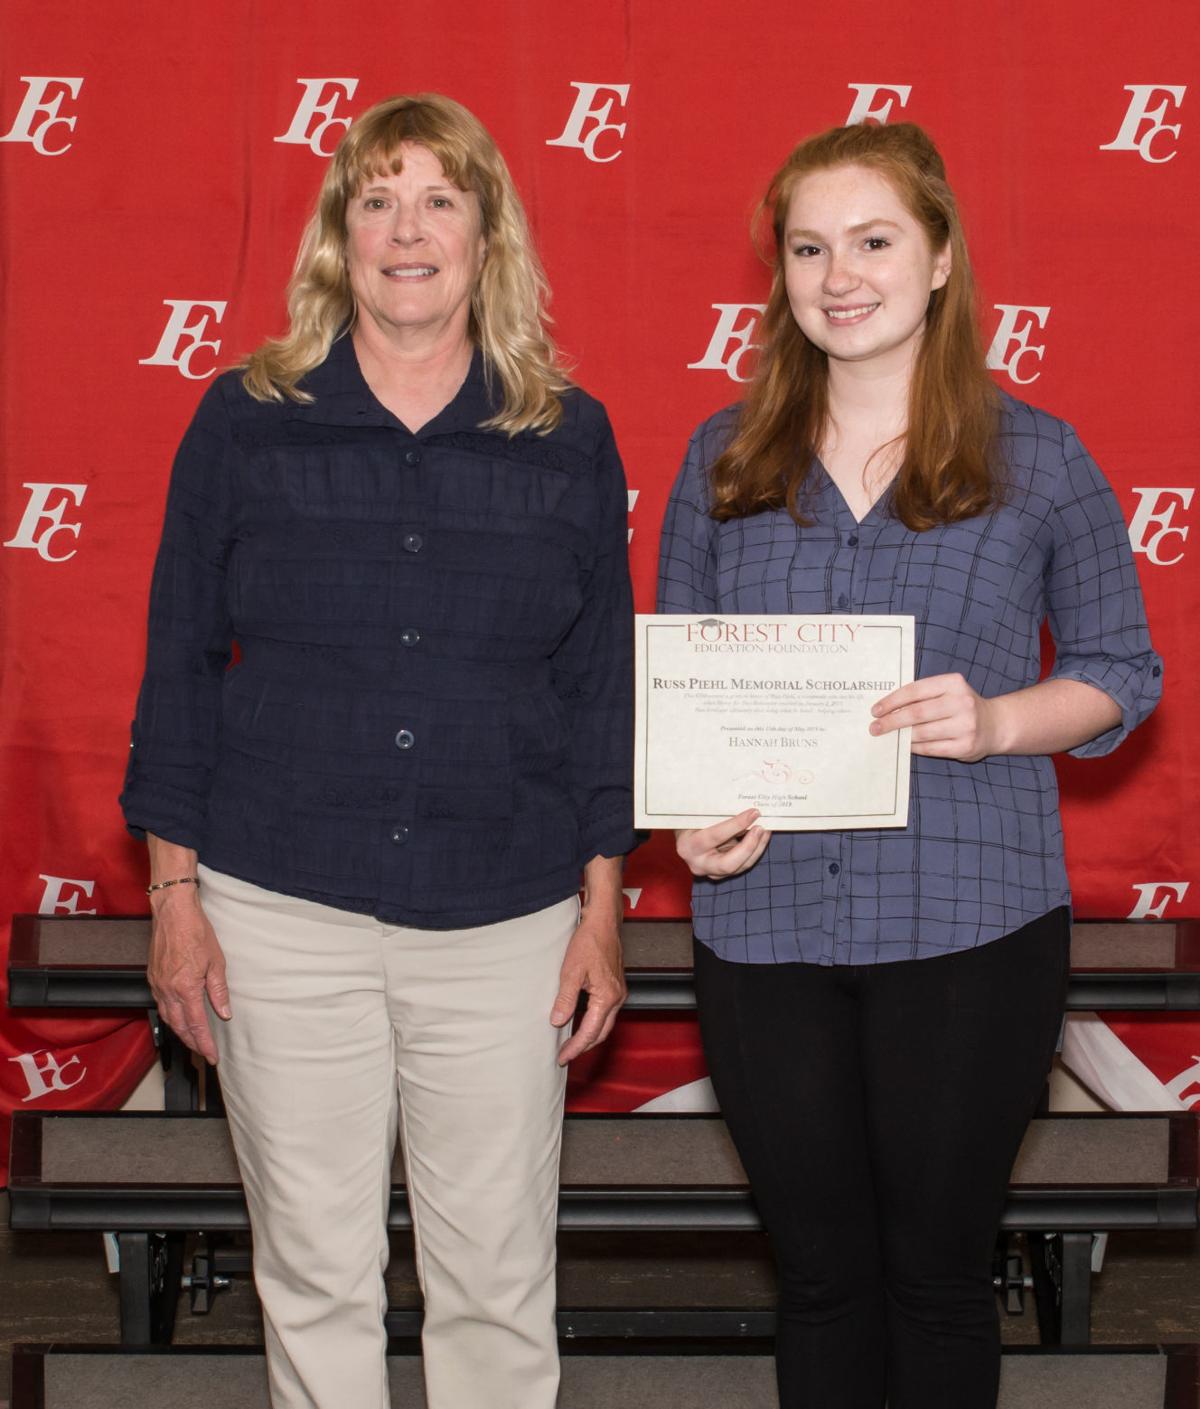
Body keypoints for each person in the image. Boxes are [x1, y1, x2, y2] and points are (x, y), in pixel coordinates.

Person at [120, 93, 635, 1409]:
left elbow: (597, 692)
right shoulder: (244, 419)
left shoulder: (566, 437)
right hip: (278, 911)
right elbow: (176, 663)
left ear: (488, 232)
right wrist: (174, 897)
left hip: (508, 919)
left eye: (441, 198)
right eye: (378, 197)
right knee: (314, 1269)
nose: (409, 229)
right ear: (339, 235)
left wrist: (602, 913)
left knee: (499, 1277)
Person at [657, 121, 1160, 1409]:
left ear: (939, 258)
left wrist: (996, 720)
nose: (841, 275)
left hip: (973, 920)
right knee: (818, 1278)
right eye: (810, 247)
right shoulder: (719, 461)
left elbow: (1121, 673)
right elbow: (682, 696)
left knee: (938, 1276)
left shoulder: (1040, 457)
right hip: (765, 923)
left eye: (874, 241)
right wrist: (690, 822)